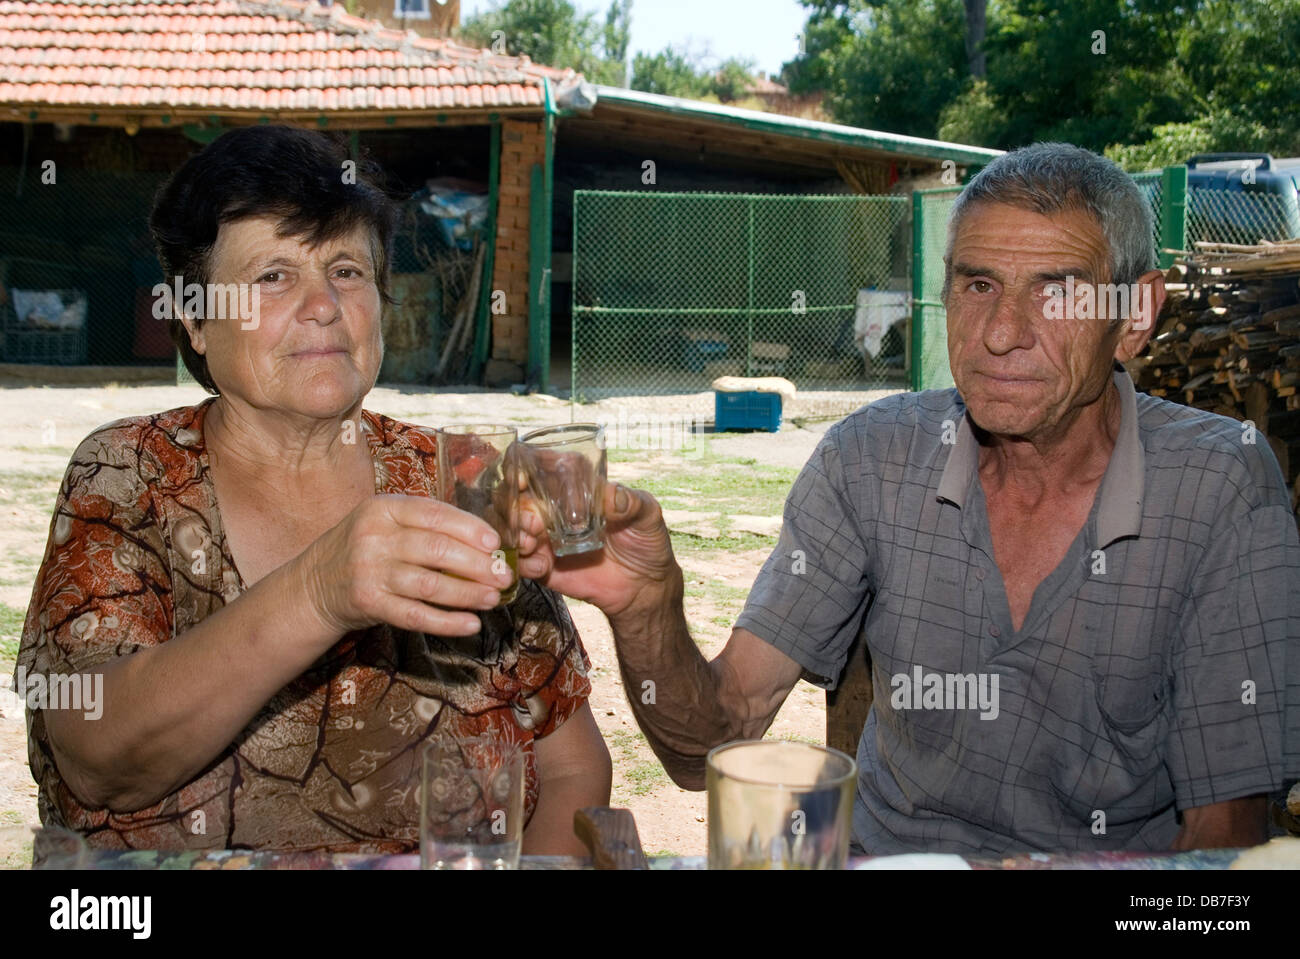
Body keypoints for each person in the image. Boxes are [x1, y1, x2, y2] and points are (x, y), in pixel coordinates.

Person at [520, 142, 1300, 855]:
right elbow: (708, 746)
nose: (1000, 332)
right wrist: (647, 608)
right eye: (978, 284)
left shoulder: (1220, 485)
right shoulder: (872, 456)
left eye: (1056, 293)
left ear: (1135, 316)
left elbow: (1225, 846)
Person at [14, 125, 610, 854]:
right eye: (274, 276)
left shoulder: (459, 477)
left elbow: (575, 766)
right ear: (196, 319)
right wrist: (320, 589)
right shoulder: (126, 473)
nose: (323, 304)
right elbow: (94, 753)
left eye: (348, 271)